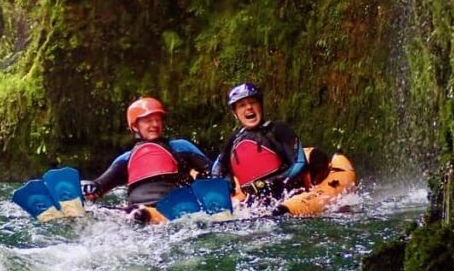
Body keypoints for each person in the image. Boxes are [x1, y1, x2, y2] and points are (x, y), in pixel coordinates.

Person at [82, 97, 211, 220]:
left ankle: (146, 215)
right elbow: (100, 185)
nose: (155, 124)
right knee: (100, 213)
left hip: (176, 207)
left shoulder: (181, 147)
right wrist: (91, 188)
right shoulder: (126, 159)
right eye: (148, 121)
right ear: (135, 126)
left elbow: (213, 172)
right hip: (137, 211)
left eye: (158, 120)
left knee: (140, 215)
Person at [212, 82, 322, 204]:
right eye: (242, 105)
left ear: (260, 106)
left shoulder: (278, 129)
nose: (249, 107)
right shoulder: (234, 138)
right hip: (253, 203)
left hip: (285, 197)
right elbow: (218, 168)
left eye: (253, 102)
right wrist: (228, 184)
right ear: (235, 113)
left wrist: (273, 181)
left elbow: (300, 163)